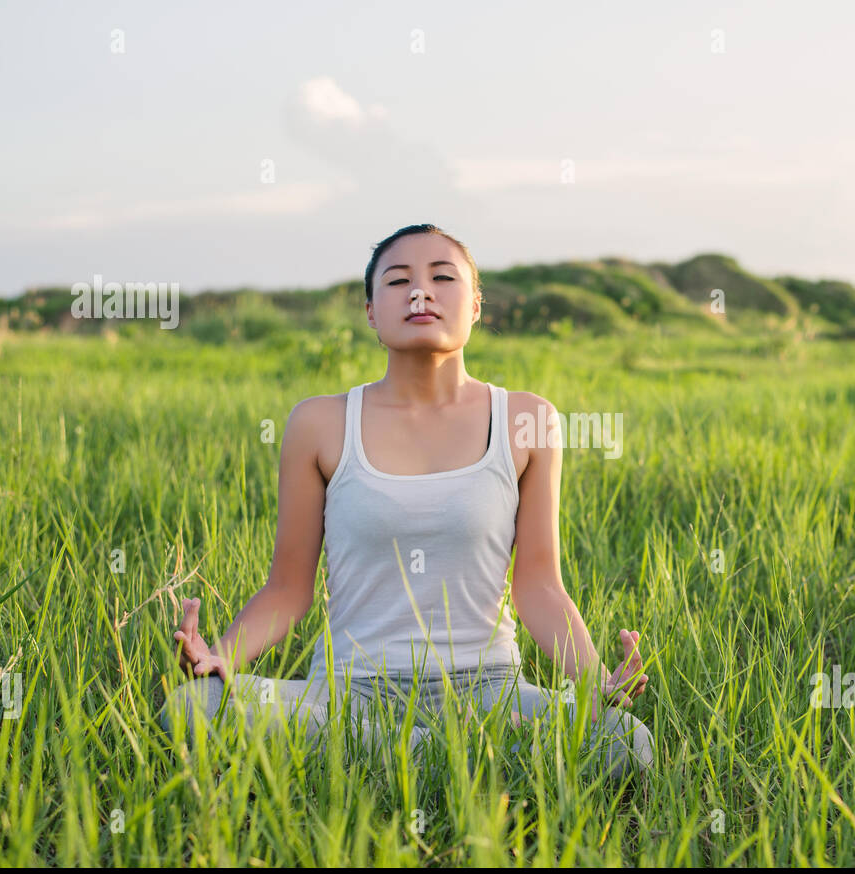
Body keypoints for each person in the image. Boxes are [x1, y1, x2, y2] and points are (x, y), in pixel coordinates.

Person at [156, 224, 654, 781]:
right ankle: (449, 761)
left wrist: (591, 680)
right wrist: (221, 655)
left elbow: (539, 584)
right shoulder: (318, 422)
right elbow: (287, 589)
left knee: (624, 743)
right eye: (398, 281)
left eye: (443, 277)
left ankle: (396, 761)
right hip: (349, 692)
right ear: (371, 311)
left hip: (489, 691)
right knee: (191, 709)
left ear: (476, 306)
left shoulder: (527, 420)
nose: (421, 292)